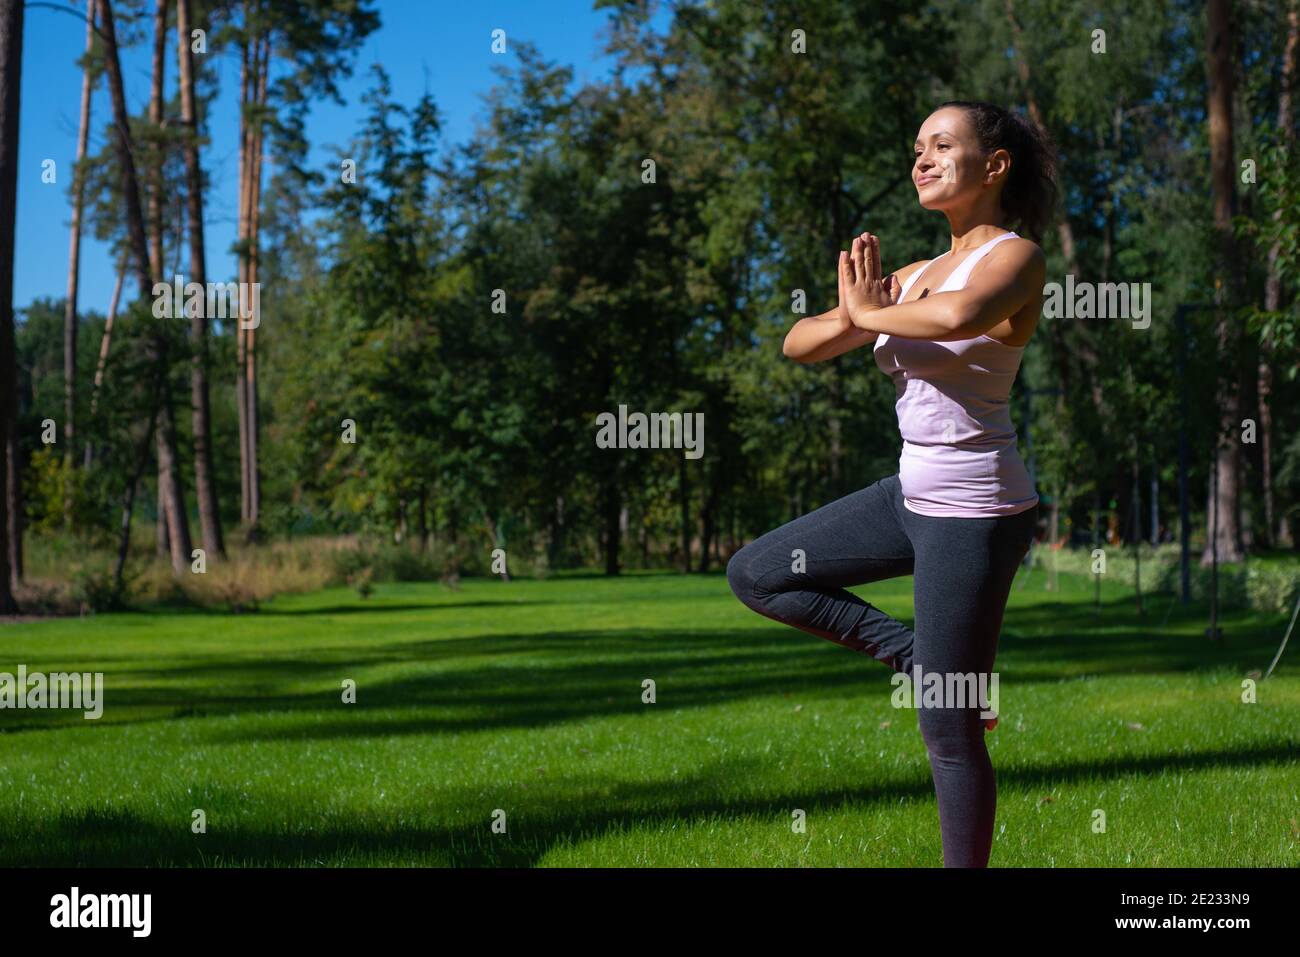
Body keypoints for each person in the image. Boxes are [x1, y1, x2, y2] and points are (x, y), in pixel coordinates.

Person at [726, 100, 1057, 868]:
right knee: (758, 572)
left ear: (995, 166)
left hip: (975, 511)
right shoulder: (907, 277)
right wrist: (859, 311)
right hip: (907, 494)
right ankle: (914, 656)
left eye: (942, 145)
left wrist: (878, 312)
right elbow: (800, 342)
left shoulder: (1015, 259)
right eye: (917, 148)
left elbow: (958, 316)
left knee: (946, 725)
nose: (922, 159)